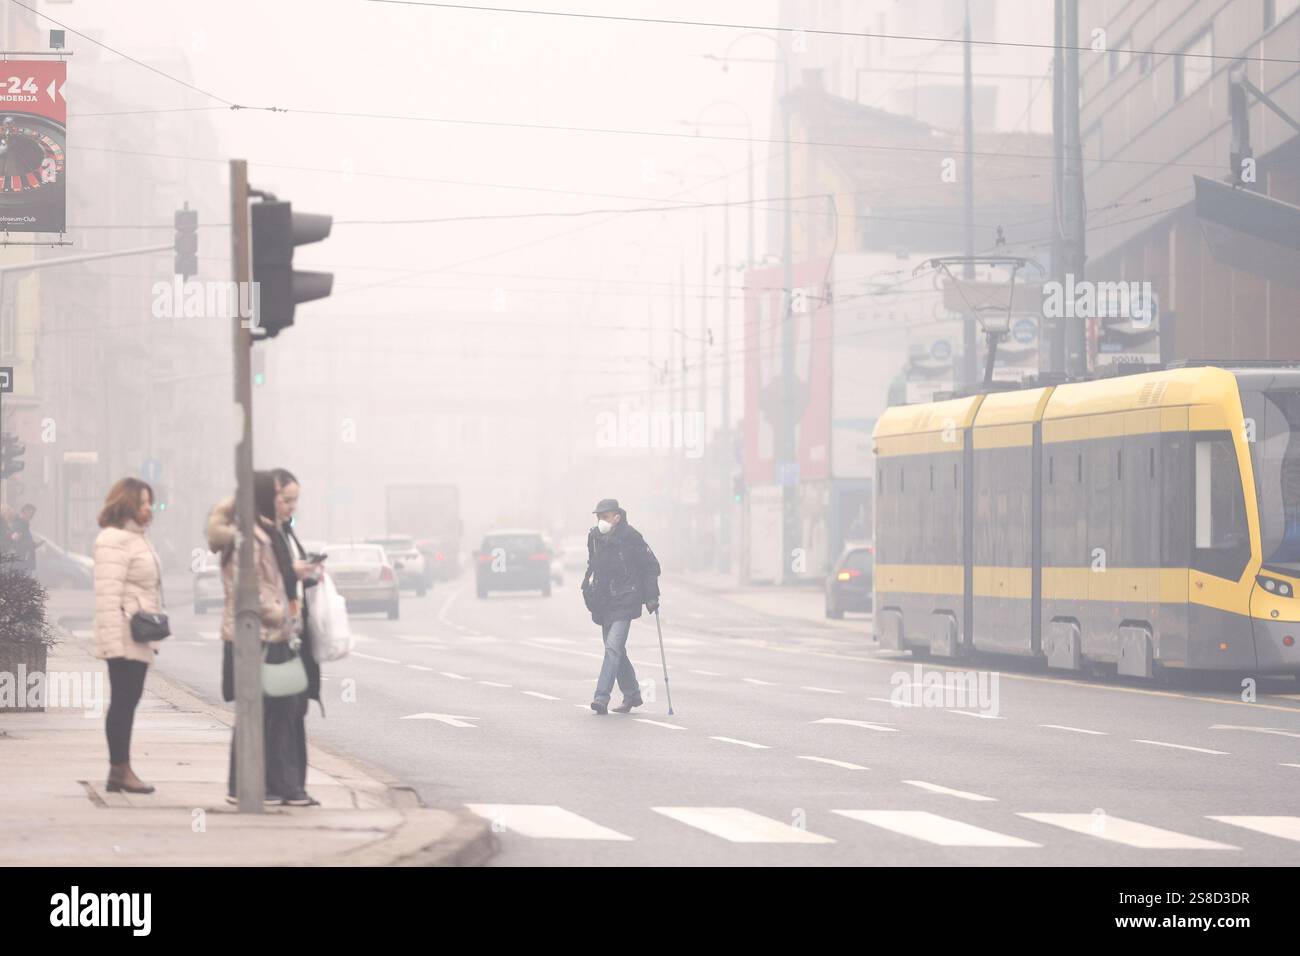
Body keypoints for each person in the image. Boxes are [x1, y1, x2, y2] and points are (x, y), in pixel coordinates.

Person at [206, 472, 305, 805]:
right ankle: (242, 785)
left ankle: (274, 783)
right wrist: (283, 612)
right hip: (254, 636)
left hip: (273, 635)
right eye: (283, 497)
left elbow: (273, 581)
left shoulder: (268, 533)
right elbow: (247, 590)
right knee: (255, 709)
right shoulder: (249, 537)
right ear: (266, 497)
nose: (288, 505)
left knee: (279, 708)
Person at [92, 478, 163, 794]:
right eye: (143, 502)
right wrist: (110, 643)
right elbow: (107, 595)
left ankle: (121, 769)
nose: (149, 508)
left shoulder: (136, 538)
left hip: (138, 633)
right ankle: (119, 770)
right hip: (123, 634)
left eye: (150, 502)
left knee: (128, 701)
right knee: (123, 702)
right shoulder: (114, 540)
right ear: (127, 504)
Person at [271, 467, 323, 805]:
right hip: (277, 634)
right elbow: (269, 583)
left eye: (295, 501)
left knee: (295, 709)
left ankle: (292, 785)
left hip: (294, 633)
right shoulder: (265, 535)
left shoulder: (285, 531)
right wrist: (294, 573)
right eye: (287, 500)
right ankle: (283, 786)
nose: (292, 507)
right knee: (282, 712)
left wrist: (308, 573)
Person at [582, 498, 661, 715]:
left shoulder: (631, 537)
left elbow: (650, 566)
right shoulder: (594, 537)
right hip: (604, 601)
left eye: (605, 517)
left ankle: (601, 697)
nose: (601, 521)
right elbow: (593, 565)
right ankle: (632, 694)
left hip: (626, 598)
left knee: (613, 648)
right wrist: (589, 587)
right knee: (616, 650)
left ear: (617, 517)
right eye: (599, 517)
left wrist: (651, 596)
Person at [12, 503, 39, 575]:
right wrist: (28, 545)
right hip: (22, 561)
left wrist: (33, 544)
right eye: (30, 513)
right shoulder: (18, 524)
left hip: (26, 561)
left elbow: (25, 539)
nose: (32, 516)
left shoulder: (24, 525)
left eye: (33, 513)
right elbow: (14, 541)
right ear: (25, 512)